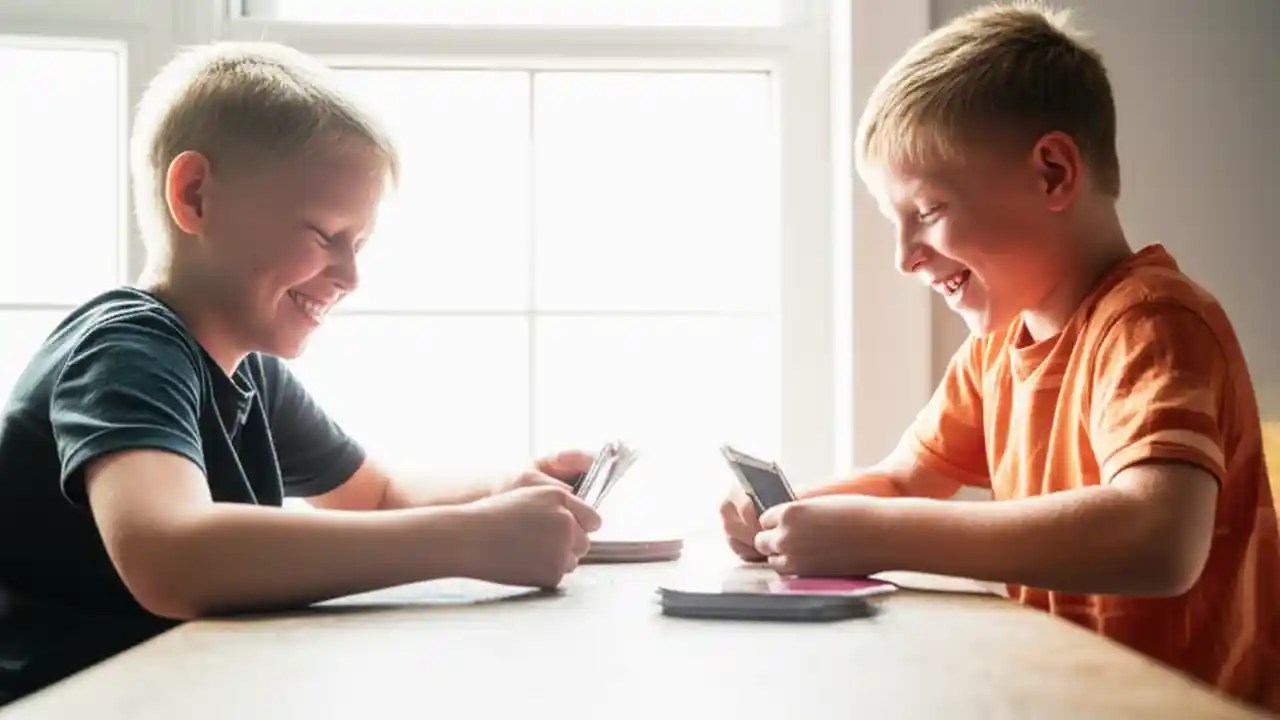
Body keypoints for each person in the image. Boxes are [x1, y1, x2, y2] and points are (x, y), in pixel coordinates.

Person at [0, 42, 600, 704]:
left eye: (359, 244)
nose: (350, 275)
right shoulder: (126, 352)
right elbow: (170, 557)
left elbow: (374, 494)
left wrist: (509, 489)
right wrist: (471, 542)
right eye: (323, 234)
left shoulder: (247, 371)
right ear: (195, 195)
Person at [721, 3, 1279, 711]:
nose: (903, 257)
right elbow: (902, 481)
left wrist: (874, 536)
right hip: (1068, 695)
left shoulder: (1153, 322)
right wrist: (793, 521)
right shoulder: (994, 353)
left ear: (1052, 174)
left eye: (926, 211)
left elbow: (1158, 538)